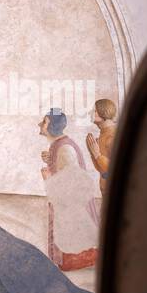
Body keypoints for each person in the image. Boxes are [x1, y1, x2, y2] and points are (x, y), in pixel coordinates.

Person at [38, 107, 101, 270]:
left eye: (44, 122)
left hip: (71, 209)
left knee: (72, 256)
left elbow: (73, 184)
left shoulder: (65, 149)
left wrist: (48, 179)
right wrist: (51, 160)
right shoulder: (59, 145)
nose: (40, 125)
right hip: (67, 207)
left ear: (52, 125)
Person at [85, 98, 119, 196]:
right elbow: (101, 169)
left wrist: (97, 155)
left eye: (94, 110)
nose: (90, 113)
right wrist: (93, 152)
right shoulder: (104, 133)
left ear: (103, 112)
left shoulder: (112, 136)